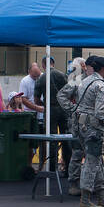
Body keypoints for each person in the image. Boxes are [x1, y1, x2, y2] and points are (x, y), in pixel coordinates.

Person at [60, 56, 104, 207]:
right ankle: (85, 198)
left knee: (96, 161)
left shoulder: (81, 81)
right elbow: (100, 112)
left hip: (80, 126)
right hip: (92, 128)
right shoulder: (99, 85)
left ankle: (100, 195)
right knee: (91, 161)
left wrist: (73, 111)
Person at [34, 57, 71, 188]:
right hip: (64, 109)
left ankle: (52, 168)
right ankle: (68, 169)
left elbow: (36, 99)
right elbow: (70, 93)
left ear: (43, 65)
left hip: (50, 110)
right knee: (67, 138)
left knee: (51, 139)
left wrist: (45, 105)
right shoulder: (62, 75)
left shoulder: (41, 78)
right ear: (53, 63)